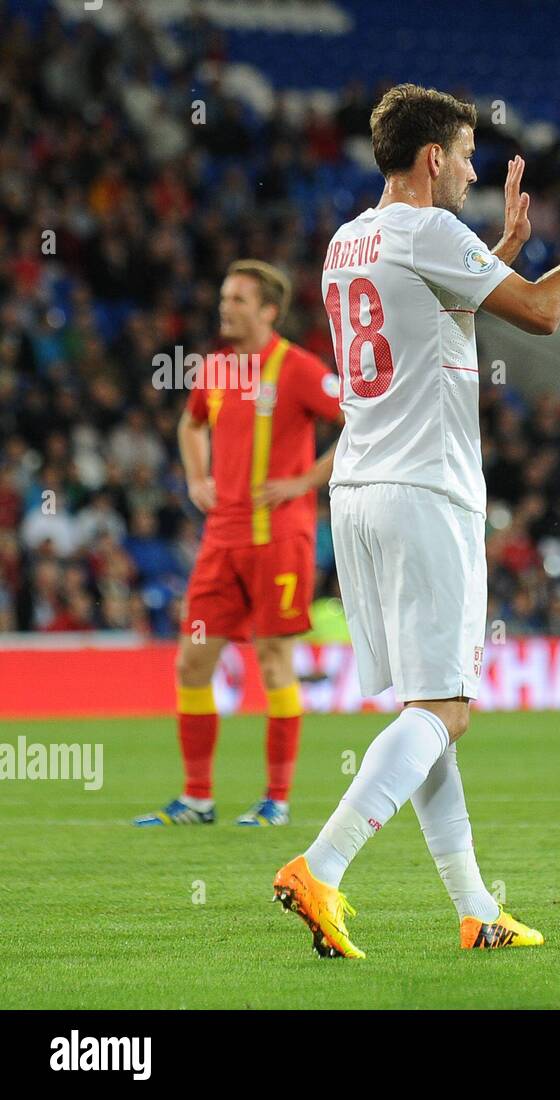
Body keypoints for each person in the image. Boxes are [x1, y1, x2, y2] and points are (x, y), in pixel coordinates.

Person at [273, 84, 560, 957]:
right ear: (433, 158)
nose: (471, 169)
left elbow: (433, 314)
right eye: (464, 154)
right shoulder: (430, 230)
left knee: (432, 707)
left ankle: (476, 910)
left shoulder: (346, 241)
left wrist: (494, 254)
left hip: (358, 490)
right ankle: (323, 864)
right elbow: (540, 312)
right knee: (447, 711)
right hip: (427, 490)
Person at [135, 259, 341, 828]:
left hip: (280, 539)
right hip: (220, 541)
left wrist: (304, 481)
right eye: (225, 297)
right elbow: (190, 423)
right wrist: (197, 478)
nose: (226, 307)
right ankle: (198, 799)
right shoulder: (216, 369)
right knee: (191, 663)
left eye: (239, 300)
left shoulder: (297, 368)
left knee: (275, 663)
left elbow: (363, 419)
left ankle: (276, 799)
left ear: (268, 311)